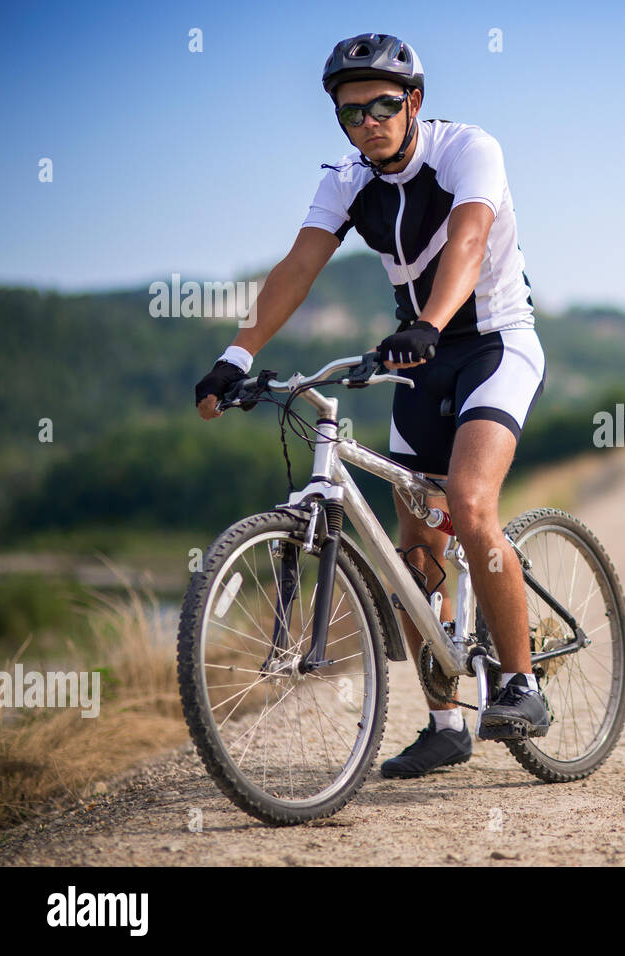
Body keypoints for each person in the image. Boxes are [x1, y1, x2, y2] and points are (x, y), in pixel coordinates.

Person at [193, 33, 548, 778]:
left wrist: (431, 321)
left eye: (382, 107)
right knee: (411, 552)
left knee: (471, 503)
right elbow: (297, 267)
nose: (367, 124)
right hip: (415, 358)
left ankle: (521, 681)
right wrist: (237, 356)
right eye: (350, 113)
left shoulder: (466, 149)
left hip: (493, 342)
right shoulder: (346, 178)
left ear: (413, 101)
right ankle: (445, 722)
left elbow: (470, 237)